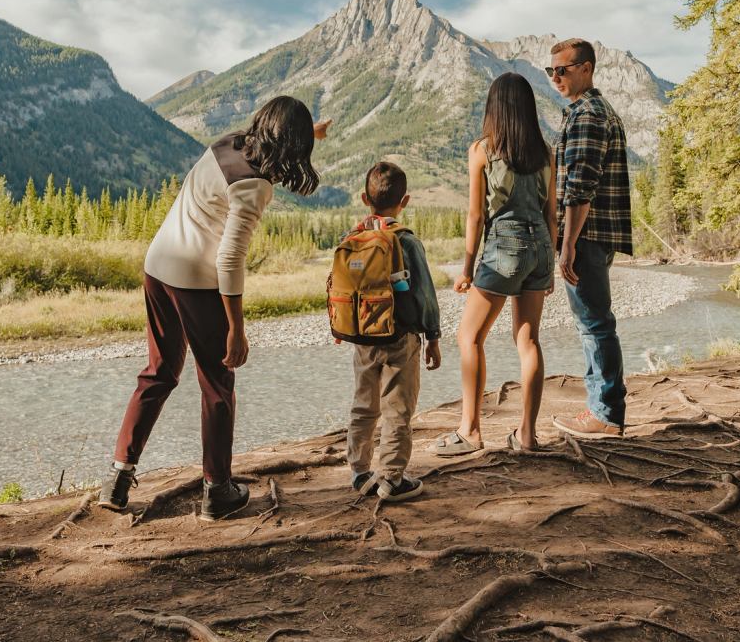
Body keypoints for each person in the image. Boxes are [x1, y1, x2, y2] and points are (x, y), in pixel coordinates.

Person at [100, 97, 328, 520]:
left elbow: (270, 140)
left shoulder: (229, 143)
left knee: (158, 373)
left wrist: (310, 131)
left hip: (157, 266)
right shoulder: (254, 186)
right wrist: (236, 329)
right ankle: (217, 490)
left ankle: (117, 480)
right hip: (196, 281)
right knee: (217, 384)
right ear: (293, 144)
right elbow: (229, 258)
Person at [433, 73, 557, 456]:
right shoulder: (546, 153)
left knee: (469, 337)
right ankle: (527, 436)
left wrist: (467, 269)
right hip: (539, 247)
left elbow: (475, 216)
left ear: (495, 108)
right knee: (529, 340)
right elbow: (551, 215)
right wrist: (549, 265)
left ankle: (470, 431)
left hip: (504, 247)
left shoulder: (483, 150)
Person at [337, 162, 442, 501]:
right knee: (397, 408)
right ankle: (392, 479)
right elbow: (424, 294)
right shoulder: (406, 240)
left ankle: (359, 472)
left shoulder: (351, 238)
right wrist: (433, 337)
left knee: (363, 403)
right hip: (401, 337)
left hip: (362, 338)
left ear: (364, 199)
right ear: (405, 200)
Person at [545, 38, 634, 438]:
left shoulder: (587, 115)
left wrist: (566, 246)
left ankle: (605, 414)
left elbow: (580, 188)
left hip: (585, 235)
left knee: (594, 324)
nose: (555, 77)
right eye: (551, 71)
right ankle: (602, 408)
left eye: (562, 70)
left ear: (586, 69)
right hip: (594, 234)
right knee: (595, 322)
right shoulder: (593, 111)